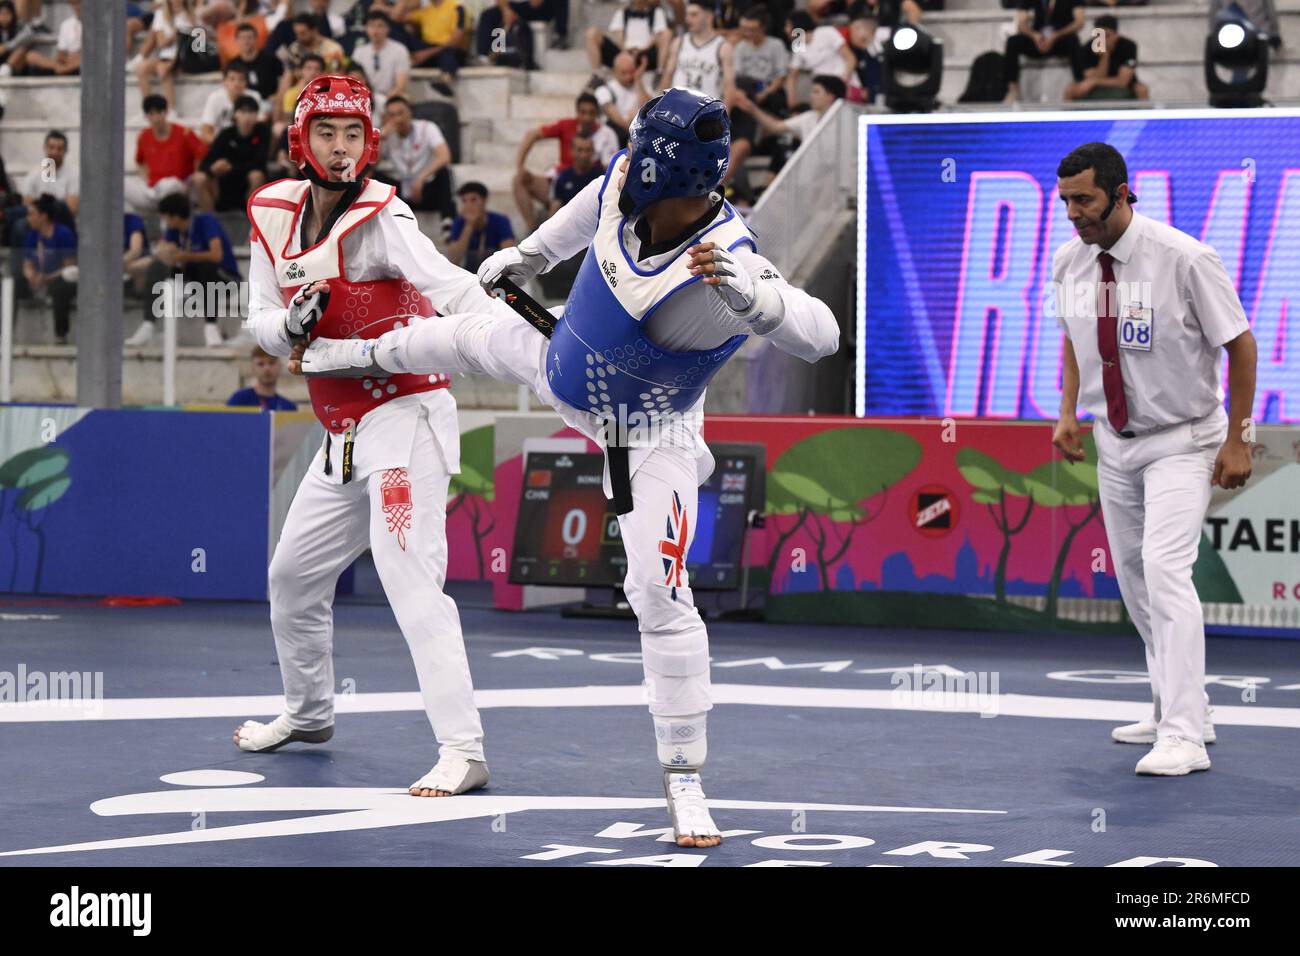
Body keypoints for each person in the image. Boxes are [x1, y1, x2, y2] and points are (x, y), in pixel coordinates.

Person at [299, 88, 840, 844]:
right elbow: (595, 199)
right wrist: (532, 253)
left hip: (652, 429)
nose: (627, 166)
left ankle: (684, 775)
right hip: (561, 363)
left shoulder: (728, 265)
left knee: (657, 587)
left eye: (642, 154)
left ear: (673, 172)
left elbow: (824, 336)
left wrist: (761, 306)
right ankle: (346, 354)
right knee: (453, 337)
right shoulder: (626, 180)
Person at [237, 74, 491, 800]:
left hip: (404, 417)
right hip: (340, 433)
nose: (340, 146)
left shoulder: (384, 216)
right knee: (291, 580)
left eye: (353, 133)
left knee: (409, 579)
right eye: (326, 132)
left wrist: (512, 331)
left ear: (369, 142)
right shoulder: (272, 211)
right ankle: (310, 713)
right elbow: (258, 310)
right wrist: (284, 328)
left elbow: (448, 286)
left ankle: (463, 750)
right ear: (300, 139)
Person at [1051, 142, 1258, 776]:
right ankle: (1177, 703)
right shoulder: (1070, 264)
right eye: (1065, 202)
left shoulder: (1184, 257)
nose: (1073, 214)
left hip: (1184, 438)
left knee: (1166, 570)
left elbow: (1242, 347)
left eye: (1083, 200)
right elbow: (1075, 342)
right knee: (1136, 582)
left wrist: (1239, 439)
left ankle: (1185, 738)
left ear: (1121, 193)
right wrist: (1066, 415)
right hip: (1115, 441)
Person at [126, 192, 239, 347]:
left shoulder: (205, 221)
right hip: (194, 279)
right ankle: (148, 325)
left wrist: (183, 255)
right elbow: (165, 254)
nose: (163, 221)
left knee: (206, 266)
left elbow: (216, 255)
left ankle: (211, 327)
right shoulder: (174, 231)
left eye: (164, 217)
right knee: (157, 267)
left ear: (175, 217)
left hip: (224, 278)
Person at [511, 93, 618, 231]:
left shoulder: (607, 134)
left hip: (590, 184)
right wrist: (520, 167)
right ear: (577, 112)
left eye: (591, 113)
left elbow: (609, 169)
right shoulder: (565, 125)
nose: (587, 117)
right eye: (583, 112)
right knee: (519, 180)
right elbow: (532, 135)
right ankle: (532, 233)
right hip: (563, 180)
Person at [126, 94, 208, 214]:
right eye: (151, 114)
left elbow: (202, 155)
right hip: (154, 189)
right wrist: (146, 178)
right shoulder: (143, 136)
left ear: (166, 112)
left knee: (170, 184)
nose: (155, 118)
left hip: (179, 187)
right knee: (121, 184)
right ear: (146, 116)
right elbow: (140, 162)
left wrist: (191, 181)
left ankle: (160, 206)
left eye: (159, 113)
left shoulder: (184, 133)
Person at [379, 94, 454, 222]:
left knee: (443, 172)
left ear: (410, 113)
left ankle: (447, 221)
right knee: (374, 177)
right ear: (387, 118)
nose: (398, 119)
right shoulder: (385, 135)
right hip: (400, 190)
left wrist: (421, 178)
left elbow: (445, 156)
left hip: (425, 186)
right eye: (392, 115)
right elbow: (371, 163)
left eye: (401, 113)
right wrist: (381, 138)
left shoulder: (427, 127)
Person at [195, 94, 270, 211]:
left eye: (251, 112)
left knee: (256, 176)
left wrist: (231, 167)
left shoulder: (263, 132)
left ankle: (253, 220)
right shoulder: (226, 134)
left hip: (248, 184)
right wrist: (213, 168)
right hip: (225, 186)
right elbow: (205, 163)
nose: (247, 117)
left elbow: (260, 163)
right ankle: (209, 221)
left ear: (256, 115)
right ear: (235, 114)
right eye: (243, 112)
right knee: (199, 178)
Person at [1003, 0, 1085, 103]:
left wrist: (1056, 35)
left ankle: (1079, 83)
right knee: (1013, 42)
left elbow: (1079, 23)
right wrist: (1034, 35)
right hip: (1038, 39)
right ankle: (1013, 88)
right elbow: (1021, 23)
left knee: (1073, 40)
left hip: (1060, 39)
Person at [21, 194, 76, 344]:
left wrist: (47, 277)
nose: (28, 218)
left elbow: (69, 265)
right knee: (14, 284)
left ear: (43, 216)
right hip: (39, 278)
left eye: (31, 214)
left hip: (60, 277)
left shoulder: (63, 233)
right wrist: (30, 275)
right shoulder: (32, 236)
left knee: (60, 288)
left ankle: (60, 334)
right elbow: (27, 264)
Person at [661, 0, 734, 102]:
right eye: (687, 15)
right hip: (677, 108)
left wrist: (724, 116)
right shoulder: (678, 43)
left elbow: (729, 86)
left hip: (706, 111)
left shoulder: (723, 47)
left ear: (709, 16)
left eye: (694, 15)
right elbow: (667, 77)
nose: (688, 19)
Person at [1065, 14, 1148, 101]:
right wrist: (1104, 57)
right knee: (1070, 89)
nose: (1101, 41)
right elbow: (1090, 77)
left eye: (1106, 36)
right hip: (1092, 85)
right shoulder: (1086, 49)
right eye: (1098, 36)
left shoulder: (1129, 46)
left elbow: (1123, 81)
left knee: (1142, 89)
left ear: (1116, 35)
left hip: (1119, 84)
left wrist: (1095, 81)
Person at [349, 9, 409, 116]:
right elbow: (354, 81)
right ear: (366, 29)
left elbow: (400, 86)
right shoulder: (359, 52)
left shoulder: (400, 50)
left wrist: (383, 101)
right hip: (365, 99)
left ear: (387, 28)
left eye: (380, 26)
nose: (375, 31)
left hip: (390, 99)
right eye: (371, 26)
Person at [445, 181, 514, 272]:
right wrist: (469, 225)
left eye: (473, 200)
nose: (468, 205)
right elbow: (454, 259)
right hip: (469, 276)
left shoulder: (500, 220)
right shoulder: (459, 222)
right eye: (464, 201)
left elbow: (508, 254)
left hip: (496, 273)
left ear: (484, 200)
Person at [199, 62, 269, 142]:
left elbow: (260, 125)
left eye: (241, 79)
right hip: (222, 142)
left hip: (247, 143)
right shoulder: (215, 98)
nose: (237, 84)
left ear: (246, 82)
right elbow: (206, 129)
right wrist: (218, 146)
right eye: (232, 79)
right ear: (224, 82)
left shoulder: (254, 97)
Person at [228, 345, 299, 410]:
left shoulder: (289, 407)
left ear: (280, 366)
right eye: (260, 364)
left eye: (271, 362)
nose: (267, 368)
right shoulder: (239, 400)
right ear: (253, 368)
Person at [547, 133, 601, 217]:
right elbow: (556, 205)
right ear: (571, 151)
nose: (584, 155)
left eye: (588, 150)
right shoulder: (563, 177)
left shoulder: (601, 177)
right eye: (580, 150)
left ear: (593, 152)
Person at [228, 18, 284, 97]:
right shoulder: (233, 64)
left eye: (249, 37)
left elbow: (284, 77)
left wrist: (279, 96)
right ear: (237, 41)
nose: (246, 41)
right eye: (242, 38)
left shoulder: (270, 59)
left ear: (256, 39)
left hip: (270, 101)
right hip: (245, 104)